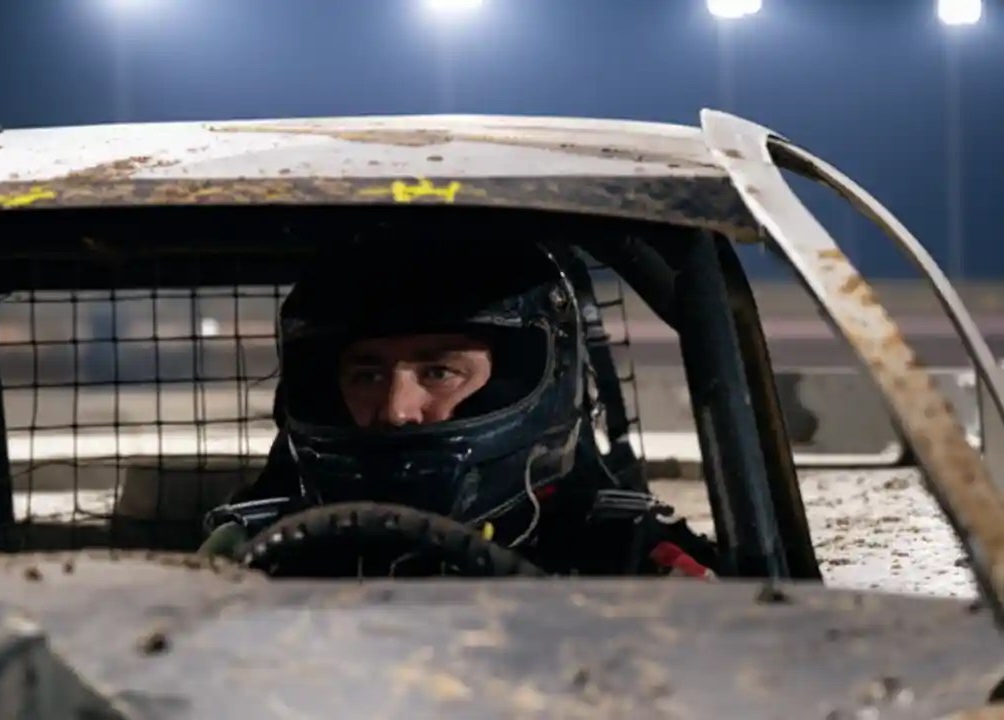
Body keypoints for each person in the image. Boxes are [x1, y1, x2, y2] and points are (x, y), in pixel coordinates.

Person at [199, 228, 718, 579]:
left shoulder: (633, 564)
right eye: (367, 373)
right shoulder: (249, 556)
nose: (397, 410)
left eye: (439, 372)